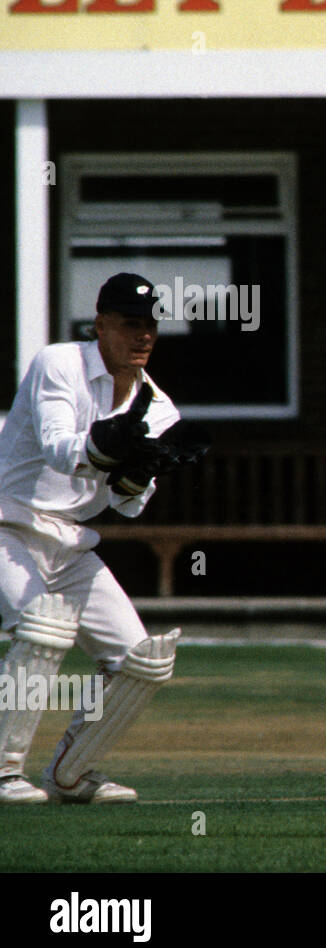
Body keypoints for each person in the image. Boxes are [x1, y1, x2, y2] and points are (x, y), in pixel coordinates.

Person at [0, 273, 209, 804]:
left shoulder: (160, 408)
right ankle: (3, 772)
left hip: (71, 541)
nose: (142, 337)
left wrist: (137, 473)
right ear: (100, 326)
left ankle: (72, 774)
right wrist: (107, 444)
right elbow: (56, 448)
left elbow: (129, 505)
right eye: (130, 325)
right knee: (44, 630)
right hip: (8, 522)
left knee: (142, 659)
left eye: (150, 327)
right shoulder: (60, 362)